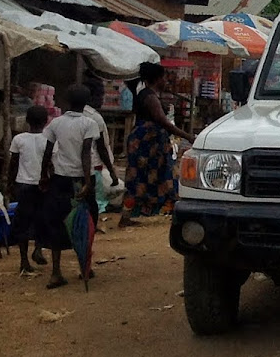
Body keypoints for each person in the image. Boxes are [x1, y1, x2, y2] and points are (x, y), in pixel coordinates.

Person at [38, 85, 100, 289]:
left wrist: (43, 176)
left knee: (57, 223)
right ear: (86, 103)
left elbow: (48, 151)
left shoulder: (56, 123)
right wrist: (88, 183)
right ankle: (85, 267)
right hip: (81, 179)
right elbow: (85, 152)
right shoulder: (89, 123)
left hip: (60, 178)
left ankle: (56, 272)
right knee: (86, 223)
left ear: (67, 102)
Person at [119, 63, 195, 227]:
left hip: (146, 141)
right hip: (147, 143)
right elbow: (163, 122)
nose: (166, 81)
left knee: (143, 178)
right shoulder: (150, 97)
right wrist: (187, 136)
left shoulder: (146, 94)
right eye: (165, 77)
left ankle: (130, 214)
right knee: (157, 177)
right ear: (158, 79)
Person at [8, 105, 50, 273]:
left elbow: (14, 164)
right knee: (43, 218)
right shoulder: (49, 140)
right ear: (46, 121)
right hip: (43, 184)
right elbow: (52, 164)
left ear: (26, 120)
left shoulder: (19, 139)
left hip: (23, 185)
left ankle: (24, 261)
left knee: (23, 222)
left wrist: (9, 184)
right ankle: (38, 248)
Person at [82, 74, 121, 222]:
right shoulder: (95, 118)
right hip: (94, 167)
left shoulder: (71, 115)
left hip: (76, 168)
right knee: (95, 202)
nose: (102, 99)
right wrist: (112, 172)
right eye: (100, 95)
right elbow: (101, 149)